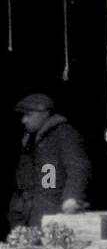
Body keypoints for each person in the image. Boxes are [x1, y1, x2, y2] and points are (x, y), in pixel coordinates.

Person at [7, 93, 91, 231]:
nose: (24, 120)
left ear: (44, 114)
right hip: (28, 211)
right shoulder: (30, 139)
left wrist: (72, 196)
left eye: (28, 115)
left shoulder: (64, 134)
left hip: (52, 210)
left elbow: (78, 166)